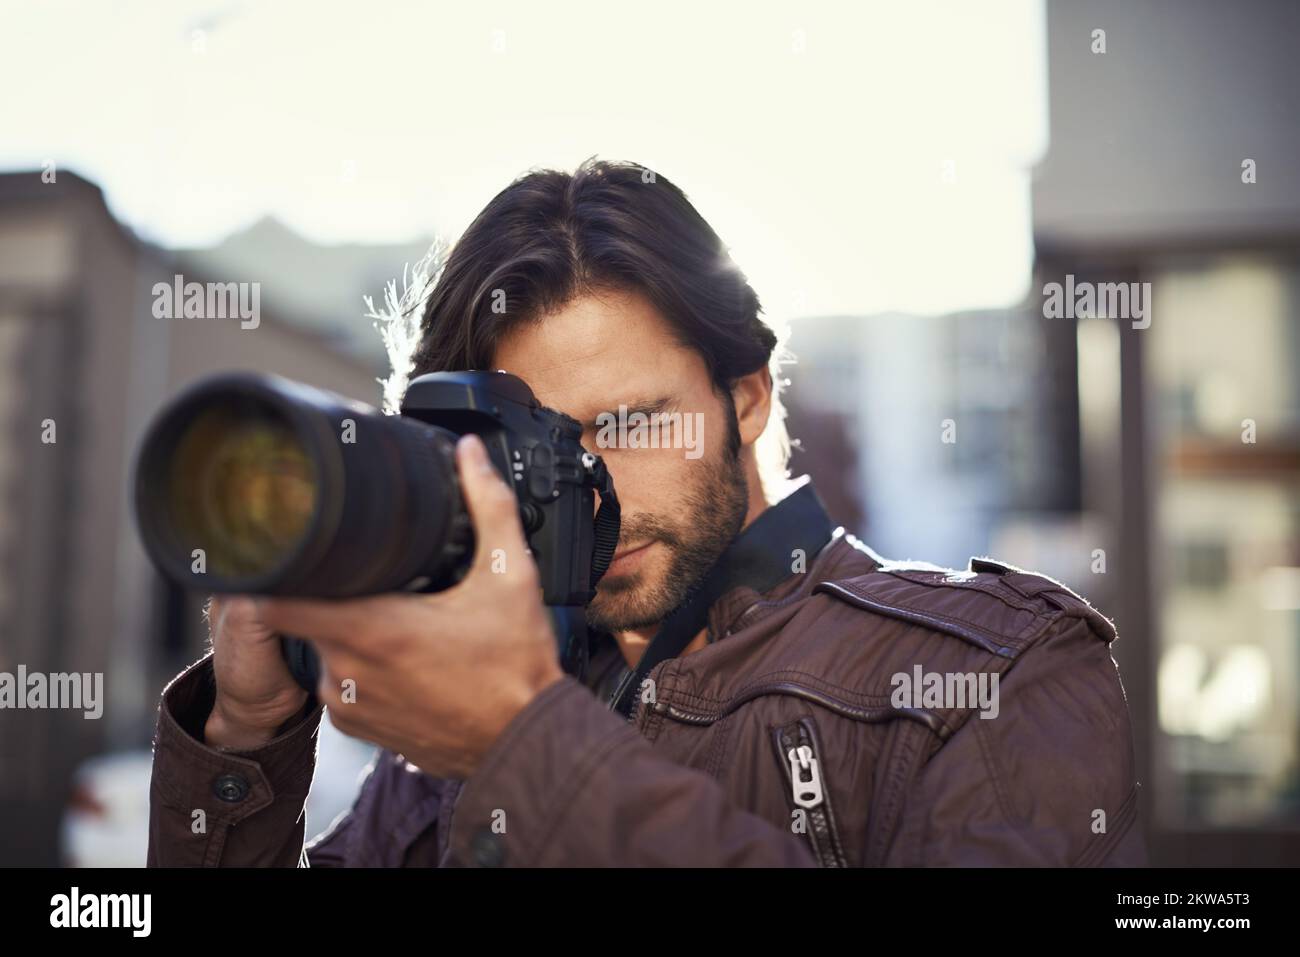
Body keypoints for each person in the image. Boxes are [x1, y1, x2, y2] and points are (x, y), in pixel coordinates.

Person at [147, 158, 1146, 867]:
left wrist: (521, 750)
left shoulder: (994, 672)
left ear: (746, 394)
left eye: (627, 422)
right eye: (540, 446)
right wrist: (245, 740)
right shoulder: (490, 699)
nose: (592, 486)